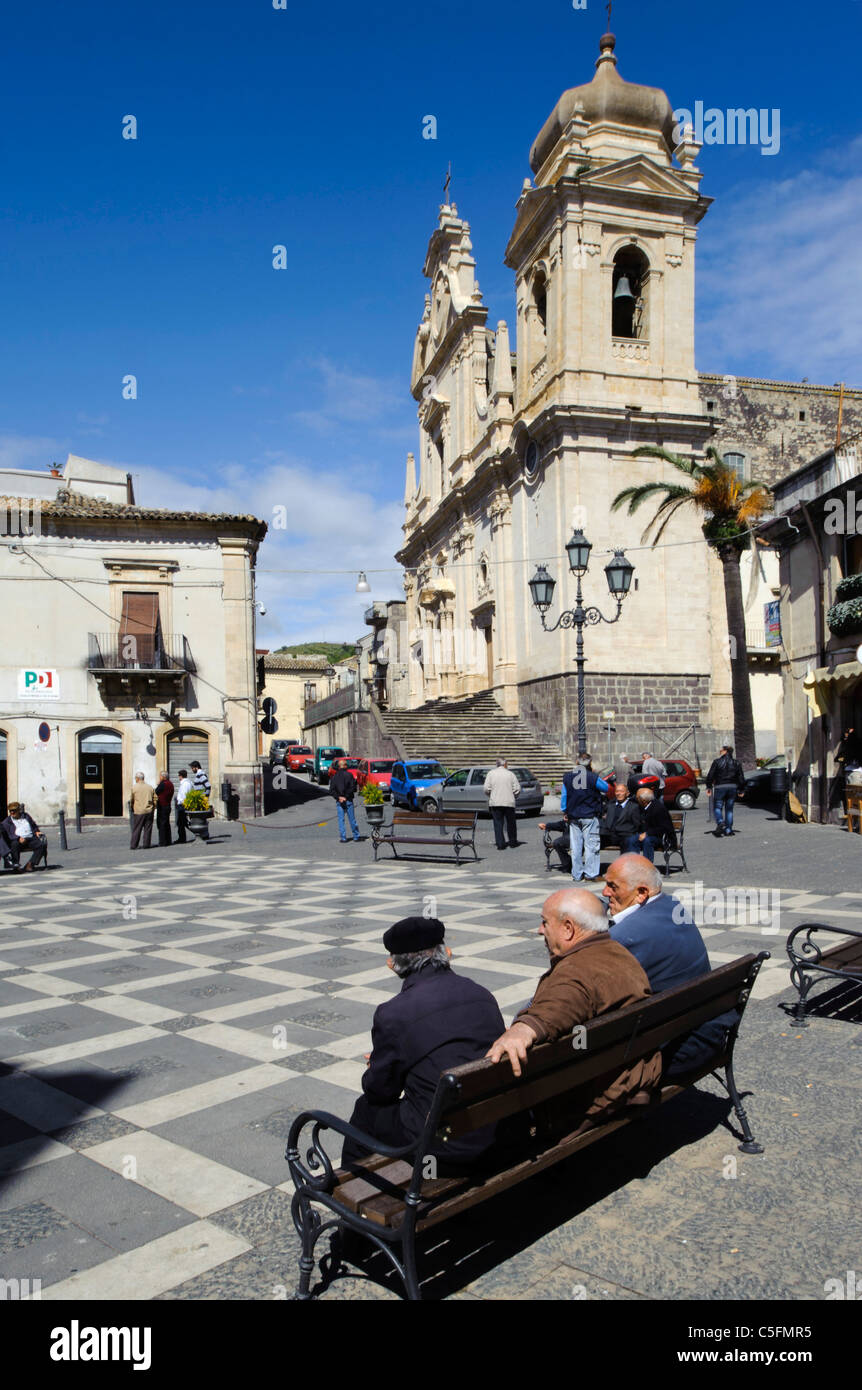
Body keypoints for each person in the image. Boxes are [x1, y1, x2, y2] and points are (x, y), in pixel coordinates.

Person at [486, 888, 662, 1135]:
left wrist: (525, 1028)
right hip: (634, 1075)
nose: (539, 930)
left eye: (545, 922)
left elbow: (564, 1002)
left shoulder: (575, 971)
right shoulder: (619, 953)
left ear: (568, 928)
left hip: (593, 1095)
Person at [342, 915, 505, 1168]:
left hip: (445, 1142)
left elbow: (380, 1091)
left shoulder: (394, 1013)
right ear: (446, 953)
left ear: (393, 965)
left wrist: (378, 1067)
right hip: (495, 1126)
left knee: (366, 1109)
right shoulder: (481, 994)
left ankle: (348, 1192)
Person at [602, 854, 738, 1076]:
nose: (605, 892)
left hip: (678, 1049)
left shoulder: (623, 937)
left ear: (642, 893)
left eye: (612, 886)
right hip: (706, 1028)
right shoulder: (672, 905)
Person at [561, 754, 610, 882]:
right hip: (589, 813)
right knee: (591, 845)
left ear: (577, 762)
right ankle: (591, 873)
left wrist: (564, 811)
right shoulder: (592, 776)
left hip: (573, 815)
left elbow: (564, 796)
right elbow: (606, 787)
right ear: (590, 763)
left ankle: (577, 874)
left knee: (576, 847)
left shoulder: (568, 777)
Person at [705, 744, 745, 836]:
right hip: (732, 787)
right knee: (729, 809)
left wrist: (708, 786)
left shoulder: (717, 762)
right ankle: (728, 830)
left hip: (720, 786)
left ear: (726, 751)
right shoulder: (736, 763)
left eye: (721, 750)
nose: (720, 751)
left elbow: (710, 775)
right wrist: (741, 789)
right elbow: (741, 777)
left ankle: (720, 821)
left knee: (717, 807)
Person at [483, 758, 521, 851]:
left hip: (495, 802)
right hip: (509, 802)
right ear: (505, 764)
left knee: (498, 824)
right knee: (511, 823)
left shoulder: (491, 774)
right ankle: (512, 842)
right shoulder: (510, 774)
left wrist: (491, 795)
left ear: (497, 764)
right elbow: (517, 789)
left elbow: (486, 788)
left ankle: (500, 844)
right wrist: (514, 796)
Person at [634, 786, 677, 863]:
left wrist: (647, 833)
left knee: (647, 841)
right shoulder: (641, 807)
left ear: (643, 800)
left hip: (663, 838)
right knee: (630, 839)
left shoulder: (658, 808)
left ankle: (647, 866)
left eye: (637, 798)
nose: (636, 800)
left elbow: (664, 828)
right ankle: (632, 866)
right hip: (647, 835)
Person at [0, 802, 48, 871]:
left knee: (41, 845)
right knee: (14, 844)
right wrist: (18, 838)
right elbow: (9, 834)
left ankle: (30, 864)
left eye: (14, 810)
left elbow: (33, 825)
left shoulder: (26, 816)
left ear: (19, 810)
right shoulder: (7, 822)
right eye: (10, 811)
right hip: (17, 840)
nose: (12, 812)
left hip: (30, 837)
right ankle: (16, 867)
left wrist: (37, 831)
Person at [602, 780, 643, 849]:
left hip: (625, 835)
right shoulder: (610, 806)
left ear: (627, 793)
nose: (619, 793)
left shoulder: (633, 807)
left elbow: (637, 824)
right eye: (617, 791)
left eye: (621, 791)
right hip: (609, 835)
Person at [330, 757, 361, 843]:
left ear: (339, 767)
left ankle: (343, 837)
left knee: (341, 820)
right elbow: (352, 788)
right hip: (348, 800)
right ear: (345, 766)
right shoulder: (349, 775)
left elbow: (332, 790)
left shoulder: (334, 777)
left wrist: (339, 797)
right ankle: (356, 836)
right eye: (346, 764)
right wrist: (346, 796)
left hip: (339, 801)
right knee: (352, 819)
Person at [130, 773, 156, 850]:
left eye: (135, 778)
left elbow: (132, 799)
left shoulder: (134, 787)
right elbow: (155, 798)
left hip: (139, 811)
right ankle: (146, 844)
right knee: (148, 828)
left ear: (137, 778)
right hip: (149, 810)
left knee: (137, 828)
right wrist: (153, 807)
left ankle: (134, 845)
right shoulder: (150, 787)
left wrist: (132, 807)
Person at [154, 770, 174, 846]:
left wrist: (158, 784)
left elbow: (156, 791)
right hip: (168, 805)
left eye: (160, 776)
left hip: (162, 806)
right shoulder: (171, 784)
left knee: (161, 824)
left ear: (163, 777)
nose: (159, 778)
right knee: (167, 824)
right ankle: (168, 840)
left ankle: (163, 841)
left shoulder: (163, 784)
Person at [175, 768, 192, 844]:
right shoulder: (189, 782)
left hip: (182, 805)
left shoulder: (185, 784)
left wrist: (180, 802)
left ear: (181, 776)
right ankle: (182, 838)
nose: (178, 777)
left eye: (179, 776)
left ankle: (182, 838)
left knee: (181, 823)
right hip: (184, 804)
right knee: (183, 822)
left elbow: (184, 795)